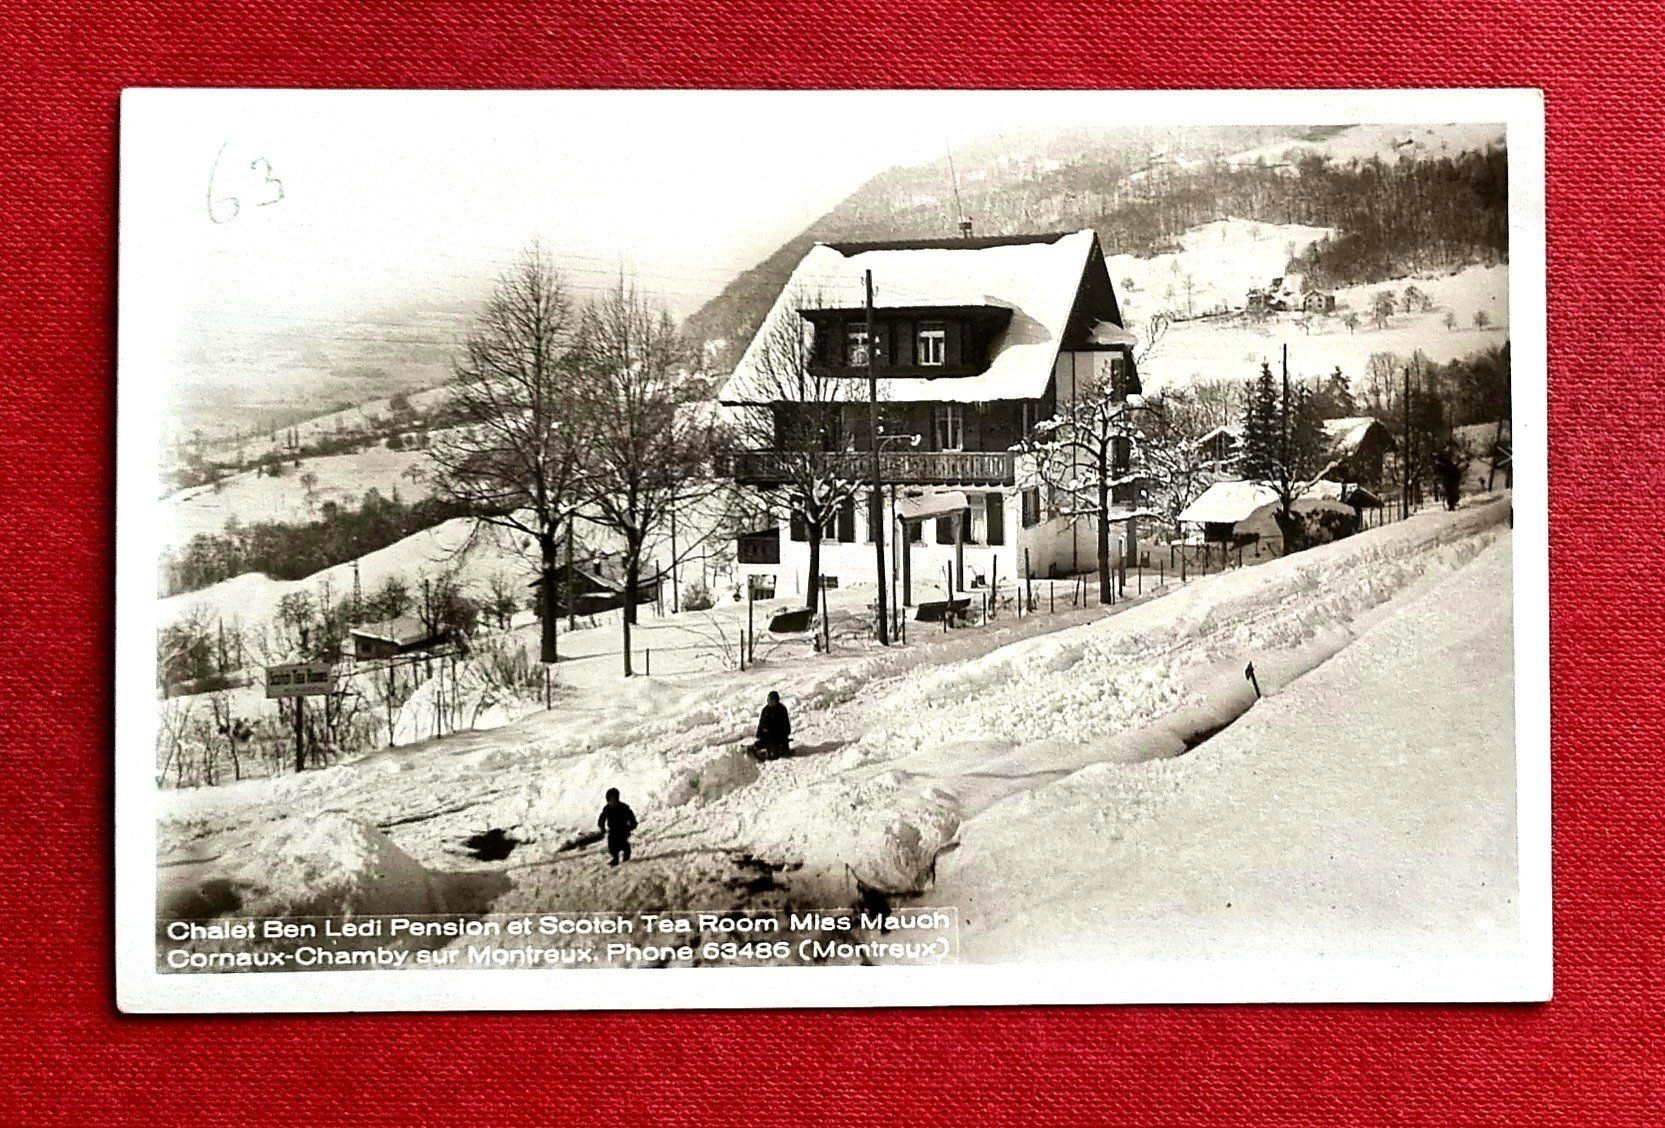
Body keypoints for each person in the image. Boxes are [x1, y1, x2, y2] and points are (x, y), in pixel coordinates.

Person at [598, 787, 637, 866]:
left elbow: (631, 816)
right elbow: (602, 818)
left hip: (623, 829)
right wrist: (602, 827)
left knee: (623, 843)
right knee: (612, 845)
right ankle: (615, 858)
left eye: (614, 799)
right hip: (613, 830)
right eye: (610, 799)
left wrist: (633, 824)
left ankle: (627, 853)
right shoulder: (607, 809)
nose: (612, 801)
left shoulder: (623, 807)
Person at [751, 690, 791, 761]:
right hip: (767, 736)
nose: (770, 701)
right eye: (769, 700)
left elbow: (786, 727)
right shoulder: (765, 710)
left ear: (776, 700)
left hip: (779, 737)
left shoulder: (782, 710)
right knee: (758, 746)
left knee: (774, 755)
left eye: (772, 699)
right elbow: (761, 724)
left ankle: (779, 749)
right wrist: (760, 734)